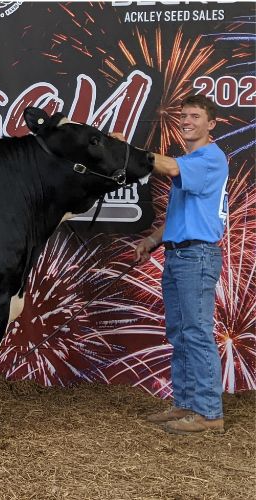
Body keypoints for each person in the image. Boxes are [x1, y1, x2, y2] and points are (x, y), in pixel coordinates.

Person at [133, 94, 228, 434]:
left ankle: (209, 413)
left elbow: (170, 167)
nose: (187, 121)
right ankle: (187, 405)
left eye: (195, 116)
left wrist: (128, 153)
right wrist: (151, 240)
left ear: (211, 124)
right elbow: (181, 215)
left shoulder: (209, 158)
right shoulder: (192, 162)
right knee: (181, 332)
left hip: (196, 256)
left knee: (197, 332)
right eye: (184, 115)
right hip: (180, 255)